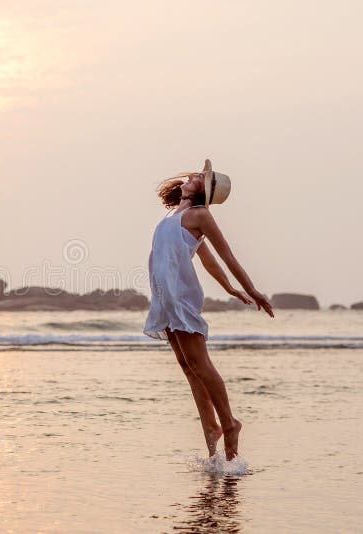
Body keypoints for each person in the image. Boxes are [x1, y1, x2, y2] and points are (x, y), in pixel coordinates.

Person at [143, 159, 274, 460]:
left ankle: (229, 423)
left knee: (200, 365)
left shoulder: (200, 215)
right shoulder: (173, 215)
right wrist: (228, 288)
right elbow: (207, 260)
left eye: (199, 177)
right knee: (188, 367)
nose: (192, 176)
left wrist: (251, 290)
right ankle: (210, 427)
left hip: (181, 296)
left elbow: (227, 256)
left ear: (204, 190)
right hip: (164, 298)